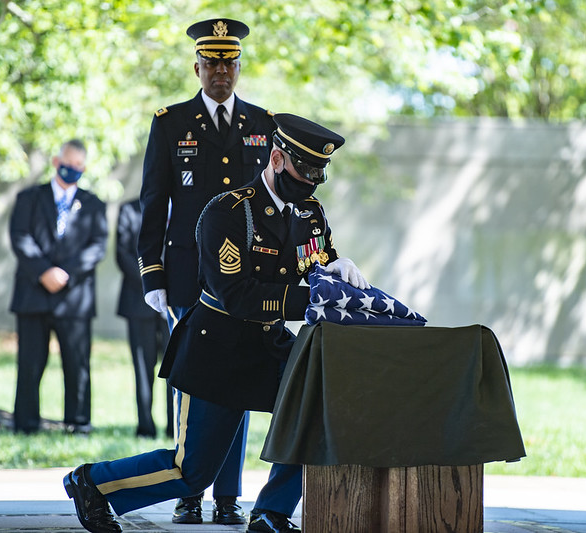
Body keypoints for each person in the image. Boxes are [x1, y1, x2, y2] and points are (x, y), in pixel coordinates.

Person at [64, 113, 369, 533]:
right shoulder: (227, 212)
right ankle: (92, 483)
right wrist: (315, 300)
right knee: (191, 472)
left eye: (319, 173)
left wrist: (337, 268)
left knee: (316, 414)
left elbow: (317, 261)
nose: (312, 181)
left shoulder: (308, 211)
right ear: (277, 160)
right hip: (216, 349)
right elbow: (237, 295)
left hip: (269, 344)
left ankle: (271, 513)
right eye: (305, 170)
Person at [136, 17, 276, 525]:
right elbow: (153, 203)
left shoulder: (263, 124)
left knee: (236, 379)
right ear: (197, 67)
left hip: (243, 281)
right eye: (212, 62)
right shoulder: (171, 122)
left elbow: (275, 201)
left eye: (229, 62)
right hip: (187, 275)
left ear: (239, 67)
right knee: (191, 384)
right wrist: (152, 276)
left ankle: (227, 497)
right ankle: (188, 491)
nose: (221, 71)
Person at [9, 139, 108, 435]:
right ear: (56, 161)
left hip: (74, 297)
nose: (72, 169)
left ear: (84, 168)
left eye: (79, 166)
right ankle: (26, 424)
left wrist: (65, 273)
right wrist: (44, 272)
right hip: (32, 293)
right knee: (29, 363)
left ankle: (77, 424)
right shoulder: (29, 198)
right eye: (68, 163)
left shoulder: (94, 204)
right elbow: (20, 236)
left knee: (77, 365)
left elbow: (97, 246)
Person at [115, 198, 174, 439]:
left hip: (176, 301)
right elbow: (123, 254)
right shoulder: (129, 209)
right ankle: (145, 427)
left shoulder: (189, 203)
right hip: (138, 300)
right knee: (142, 367)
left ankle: (175, 428)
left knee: (175, 369)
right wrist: (154, 284)